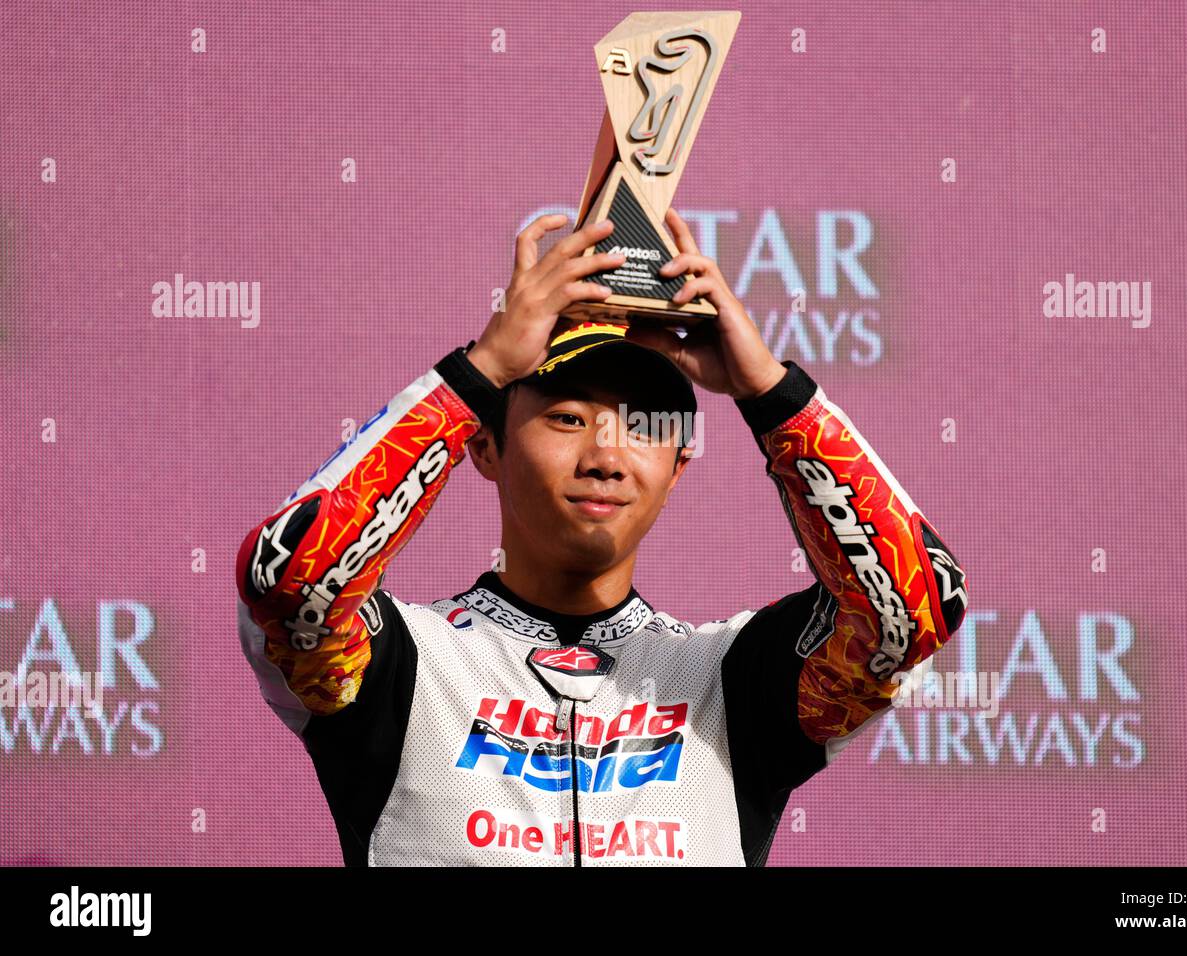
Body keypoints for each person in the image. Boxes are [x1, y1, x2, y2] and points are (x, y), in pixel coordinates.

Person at [235, 209, 969, 866]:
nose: (606, 455)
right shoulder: (406, 662)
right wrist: (480, 372)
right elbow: (291, 578)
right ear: (483, 448)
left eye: (644, 426)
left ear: (680, 466)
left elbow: (912, 609)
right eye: (566, 417)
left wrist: (769, 392)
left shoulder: (727, 678)